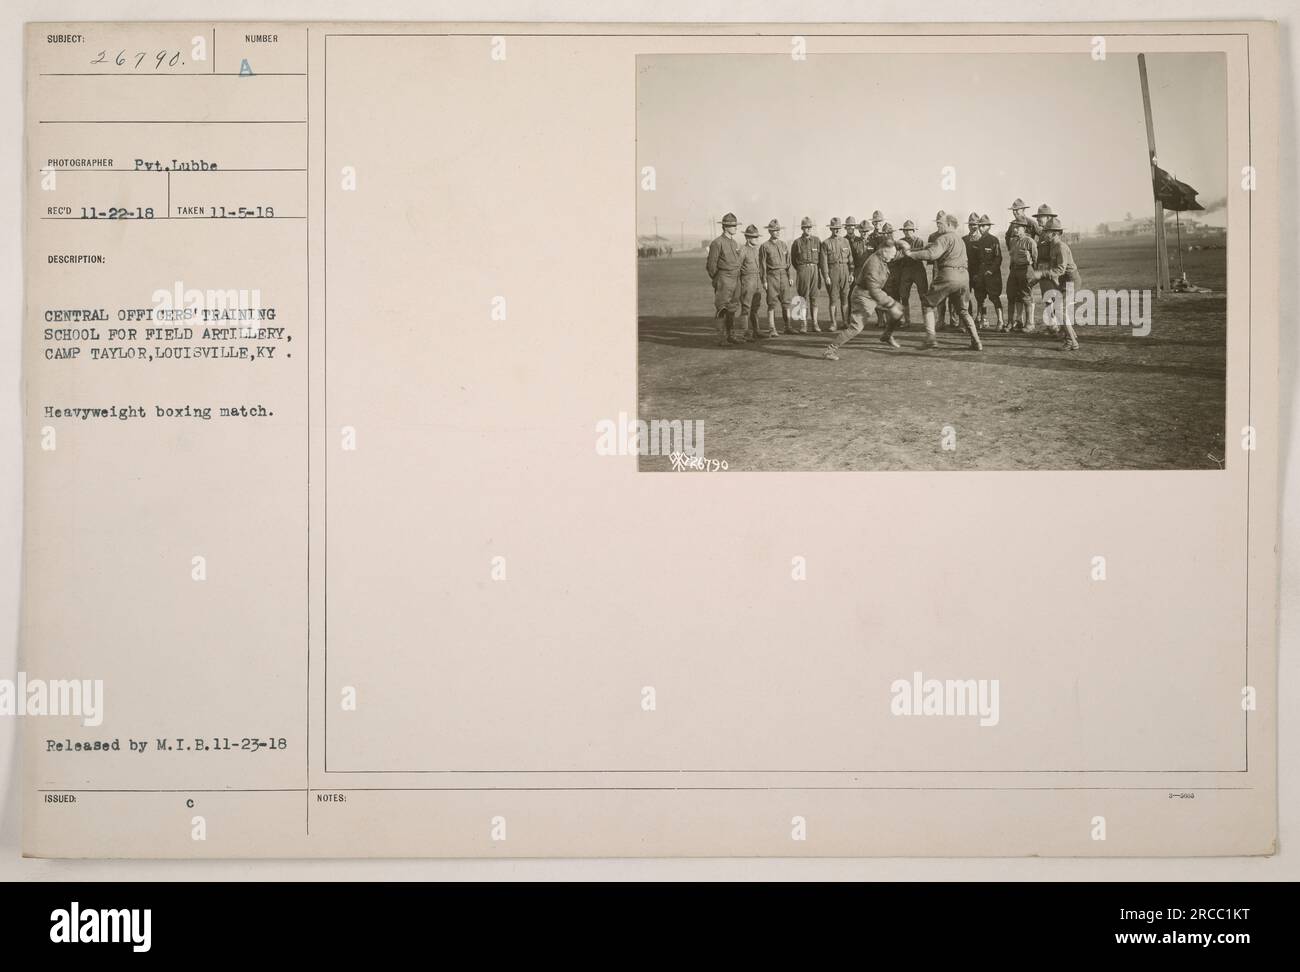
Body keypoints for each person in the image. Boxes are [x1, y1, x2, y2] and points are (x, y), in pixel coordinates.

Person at [901, 213, 982, 351]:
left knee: (927, 304)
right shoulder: (960, 239)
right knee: (963, 310)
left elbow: (931, 254)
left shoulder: (944, 238)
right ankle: (976, 341)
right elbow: (929, 247)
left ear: (949, 224)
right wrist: (914, 249)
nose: (937, 225)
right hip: (963, 276)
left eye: (940, 223)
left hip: (948, 274)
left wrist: (910, 254)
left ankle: (930, 339)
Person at [823, 238, 905, 359]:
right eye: (891, 255)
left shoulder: (883, 255)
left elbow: (897, 255)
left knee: (899, 311)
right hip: (863, 296)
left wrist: (909, 251)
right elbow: (874, 290)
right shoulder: (873, 264)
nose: (893, 258)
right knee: (856, 328)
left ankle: (887, 335)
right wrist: (890, 304)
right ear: (884, 251)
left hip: (872, 294)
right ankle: (830, 350)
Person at [1035, 216, 1082, 351]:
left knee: (1060, 310)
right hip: (1064, 281)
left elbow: (1061, 269)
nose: (1044, 233)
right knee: (1059, 308)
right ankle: (1071, 335)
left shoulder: (1061, 247)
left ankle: (1072, 342)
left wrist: (1043, 273)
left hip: (1071, 280)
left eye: (1047, 231)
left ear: (1055, 233)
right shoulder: (1053, 245)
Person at [705, 212, 744, 345]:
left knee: (732, 308)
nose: (735, 228)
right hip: (724, 278)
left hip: (735, 278)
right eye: (732, 226)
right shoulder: (717, 243)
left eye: (735, 225)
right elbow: (711, 265)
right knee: (722, 308)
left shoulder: (734, 243)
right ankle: (721, 338)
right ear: (725, 227)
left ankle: (730, 335)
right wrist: (718, 280)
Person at [758, 219, 794, 336]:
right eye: (774, 230)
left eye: (778, 230)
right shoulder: (765, 246)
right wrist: (764, 280)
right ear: (769, 231)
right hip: (772, 276)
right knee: (771, 303)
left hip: (783, 275)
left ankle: (788, 326)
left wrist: (790, 276)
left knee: (786, 302)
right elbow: (762, 265)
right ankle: (772, 328)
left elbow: (788, 263)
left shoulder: (783, 245)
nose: (777, 232)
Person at [1004, 216, 1038, 332]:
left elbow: (1035, 259)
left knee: (1026, 297)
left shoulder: (1030, 241)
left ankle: (1029, 324)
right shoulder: (1012, 241)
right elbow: (1012, 257)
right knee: (1011, 295)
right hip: (1013, 271)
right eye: (1014, 227)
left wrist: (1034, 275)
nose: (1015, 230)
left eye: (1018, 227)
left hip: (1025, 271)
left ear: (1024, 228)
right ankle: (1010, 322)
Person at [820, 217, 853, 331]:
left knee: (845, 298)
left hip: (845, 270)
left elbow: (850, 259)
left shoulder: (845, 241)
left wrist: (851, 273)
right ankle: (833, 323)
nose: (836, 230)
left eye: (838, 228)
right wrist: (826, 276)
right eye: (834, 228)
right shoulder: (826, 243)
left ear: (841, 228)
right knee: (833, 299)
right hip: (833, 270)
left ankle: (845, 322)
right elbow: (823, 262)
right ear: (831, 229)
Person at [972, 214, 1005, 330]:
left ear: (989, 227)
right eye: (980, 226)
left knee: (994, 297)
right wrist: (976, 274)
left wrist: (991, 271)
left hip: (992, 274)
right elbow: (976, 260)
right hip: (981, 273)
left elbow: (998, 258)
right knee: (980, 298)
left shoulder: (994, 240)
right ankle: (982, 320)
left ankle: (1000, 321)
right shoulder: (978, 241)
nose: (980, 228)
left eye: (983, 226)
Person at [791, 216, 823, 333]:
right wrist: (801, 269)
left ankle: (815, 323)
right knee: (802, 298)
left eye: (809, 227)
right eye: (805, 227)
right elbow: (793, 260)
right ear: (802, 228)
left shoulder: (817, 240)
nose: (808, 229)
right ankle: (803, 324)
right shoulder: (797, 242)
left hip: (814, 269)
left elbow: (821, 258)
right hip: (803, 270)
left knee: (814, 297)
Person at [896, 220, 930, 327]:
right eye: (905, 230)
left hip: (918, 269)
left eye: (909, 230)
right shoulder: (900, 242)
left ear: (913, 230)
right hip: (906, 270)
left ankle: (926, 322)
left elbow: (922, 253)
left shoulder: (919, 241)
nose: (907, 232)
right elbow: (897, 255)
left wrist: (909, 252)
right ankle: (907, 321)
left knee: (923, 296)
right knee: (904, 296)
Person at [738, 224, 764, 340]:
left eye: (757, 237)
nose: (757, 239)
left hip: (757, 280)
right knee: (746, 307)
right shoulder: (743, 250)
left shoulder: (757, 250)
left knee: (755, 307)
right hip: (747, 281)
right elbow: (737, 267)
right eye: (754, 237)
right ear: (748, 238)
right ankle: (745, 333)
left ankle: (756, 331)